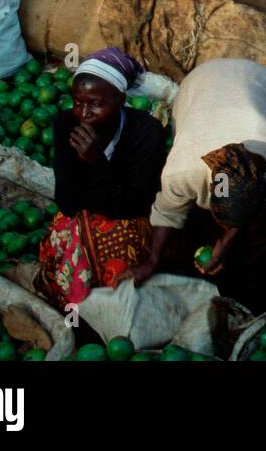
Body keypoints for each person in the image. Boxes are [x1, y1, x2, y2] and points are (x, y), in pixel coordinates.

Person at [125, 60, 266, 306]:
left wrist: (226, 241)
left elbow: (257, 203)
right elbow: (168, 213)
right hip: (198, 83)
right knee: (191, 231)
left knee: (263, 230)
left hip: (258, 80)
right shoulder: (181, 172)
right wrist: (152, 262)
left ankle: (255, 301)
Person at [35, 49, 168, 311]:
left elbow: (136, 204)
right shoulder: (65, 124)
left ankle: (107, 312)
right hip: (85, 211)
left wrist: (96, 162)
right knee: (67, 238)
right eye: (78, 102)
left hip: (130, 218)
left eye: (96, 103)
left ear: (120, 100)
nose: (84, 113)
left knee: (115, 253)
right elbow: (66, 201)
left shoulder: (146, 132)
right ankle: (75, 307)